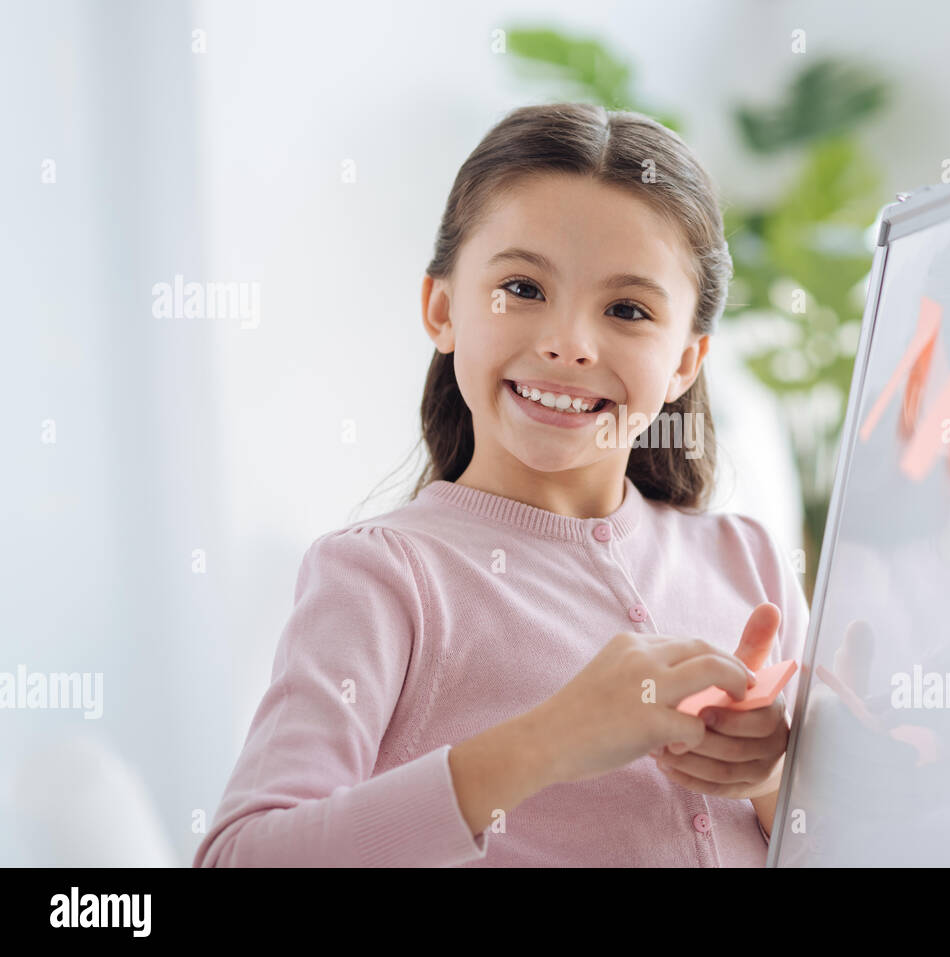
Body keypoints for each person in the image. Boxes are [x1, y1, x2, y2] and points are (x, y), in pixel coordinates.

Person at [193, 102, 809, 867]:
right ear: (442, 308)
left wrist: (772, 778)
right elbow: (239, 856)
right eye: (522, 288)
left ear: (686, 361)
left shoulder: (748, 561)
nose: (568, 344)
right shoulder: (384, 578)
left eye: (627, 309)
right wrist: (549, 740)